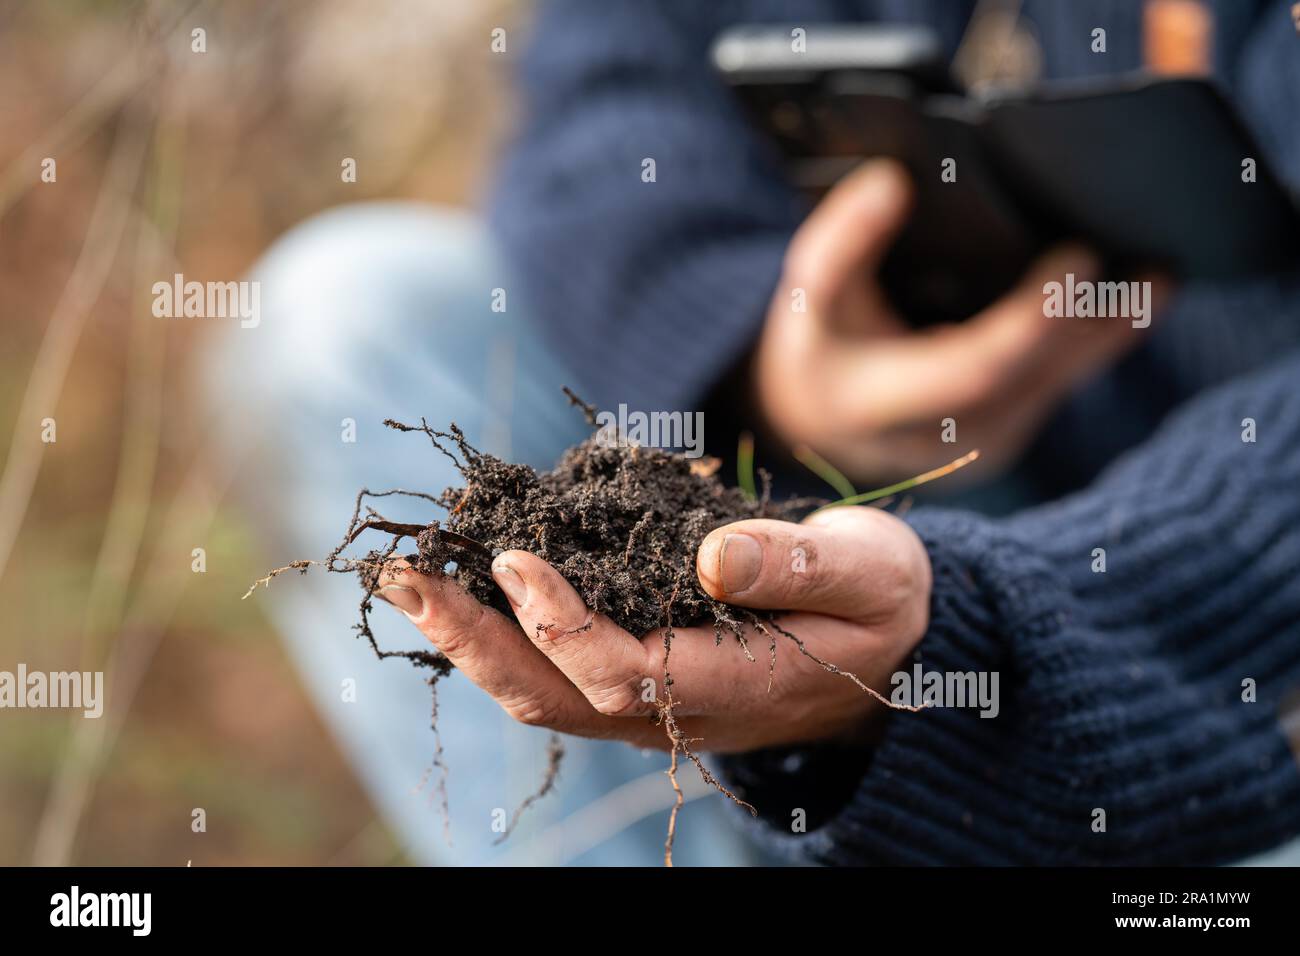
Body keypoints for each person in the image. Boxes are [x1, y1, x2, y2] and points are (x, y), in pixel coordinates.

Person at [210, 0, 1300, 865]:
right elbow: (610, 91)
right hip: (862, 484)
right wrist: (765, 361)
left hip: (1232, 578)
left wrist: (998, 616)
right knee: (354, 321)